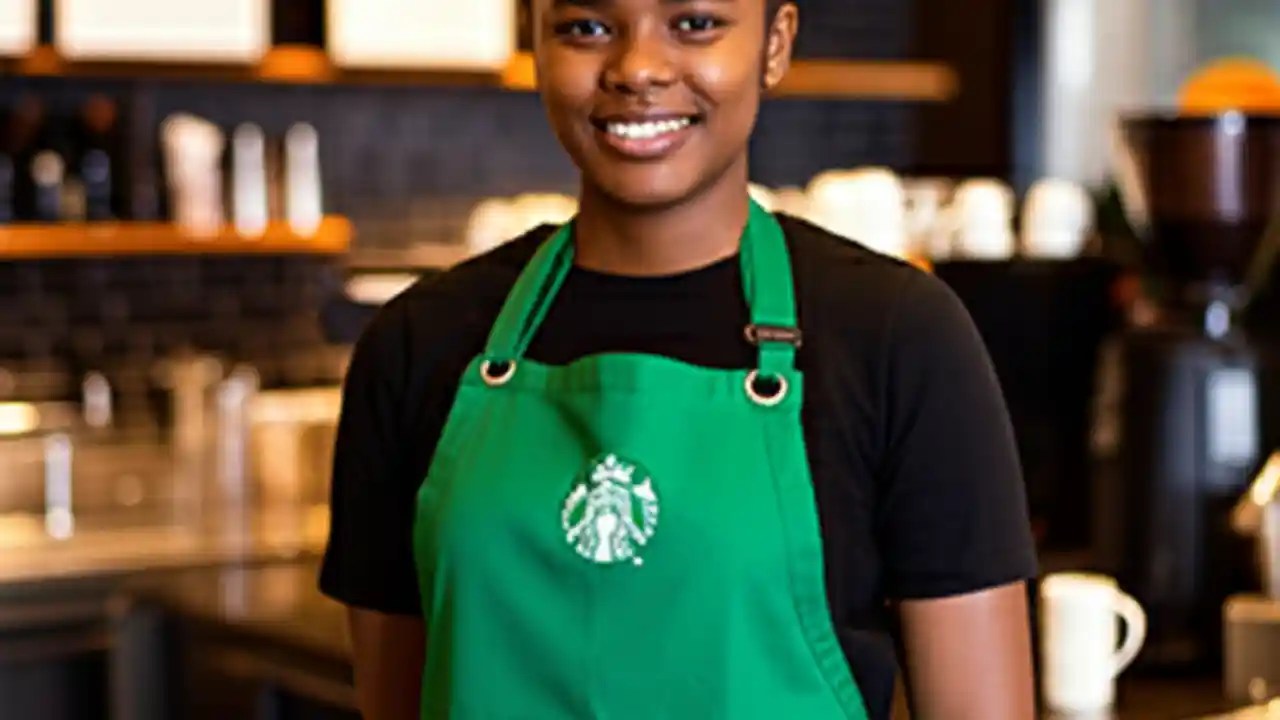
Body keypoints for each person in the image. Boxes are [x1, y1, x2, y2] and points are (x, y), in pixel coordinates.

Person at [318, 0, 1039, 717]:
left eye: (695, 24)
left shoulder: (900, 338)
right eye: (586, 28)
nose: (637, 69)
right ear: (537, 44)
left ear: (775, 43)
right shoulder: (416, 345)